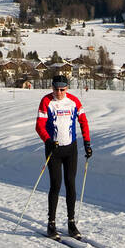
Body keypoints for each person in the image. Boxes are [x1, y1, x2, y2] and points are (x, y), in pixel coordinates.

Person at [35, 75, 92, 238]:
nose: (59, 93)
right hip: (54, 149)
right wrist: (47, 141)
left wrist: (87, 143)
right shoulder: (46, 101)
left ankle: (71, 223)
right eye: (56, 89)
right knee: (56, 185)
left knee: (71, 184)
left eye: (62, 89)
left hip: (70, 148)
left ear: (67, 89)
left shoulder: (73, 101)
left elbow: (83, 121)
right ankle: (51, 224)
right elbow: (39, 125)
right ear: (52, 88)